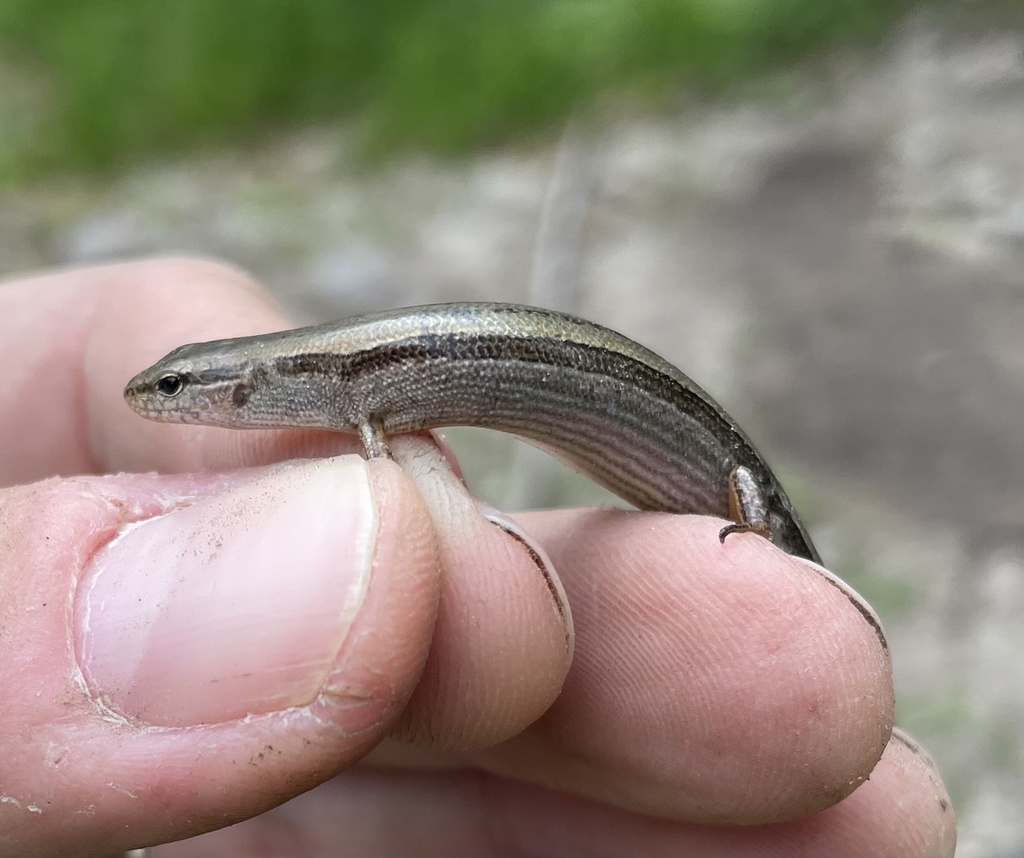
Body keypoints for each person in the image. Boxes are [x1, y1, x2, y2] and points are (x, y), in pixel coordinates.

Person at [0, 259, 955, 856]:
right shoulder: (343, 393)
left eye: (178, 391)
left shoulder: (347, 391)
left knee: (780, 576)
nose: (166, 400)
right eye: (172, 389)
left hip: (705, 453)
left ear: (238, 389)